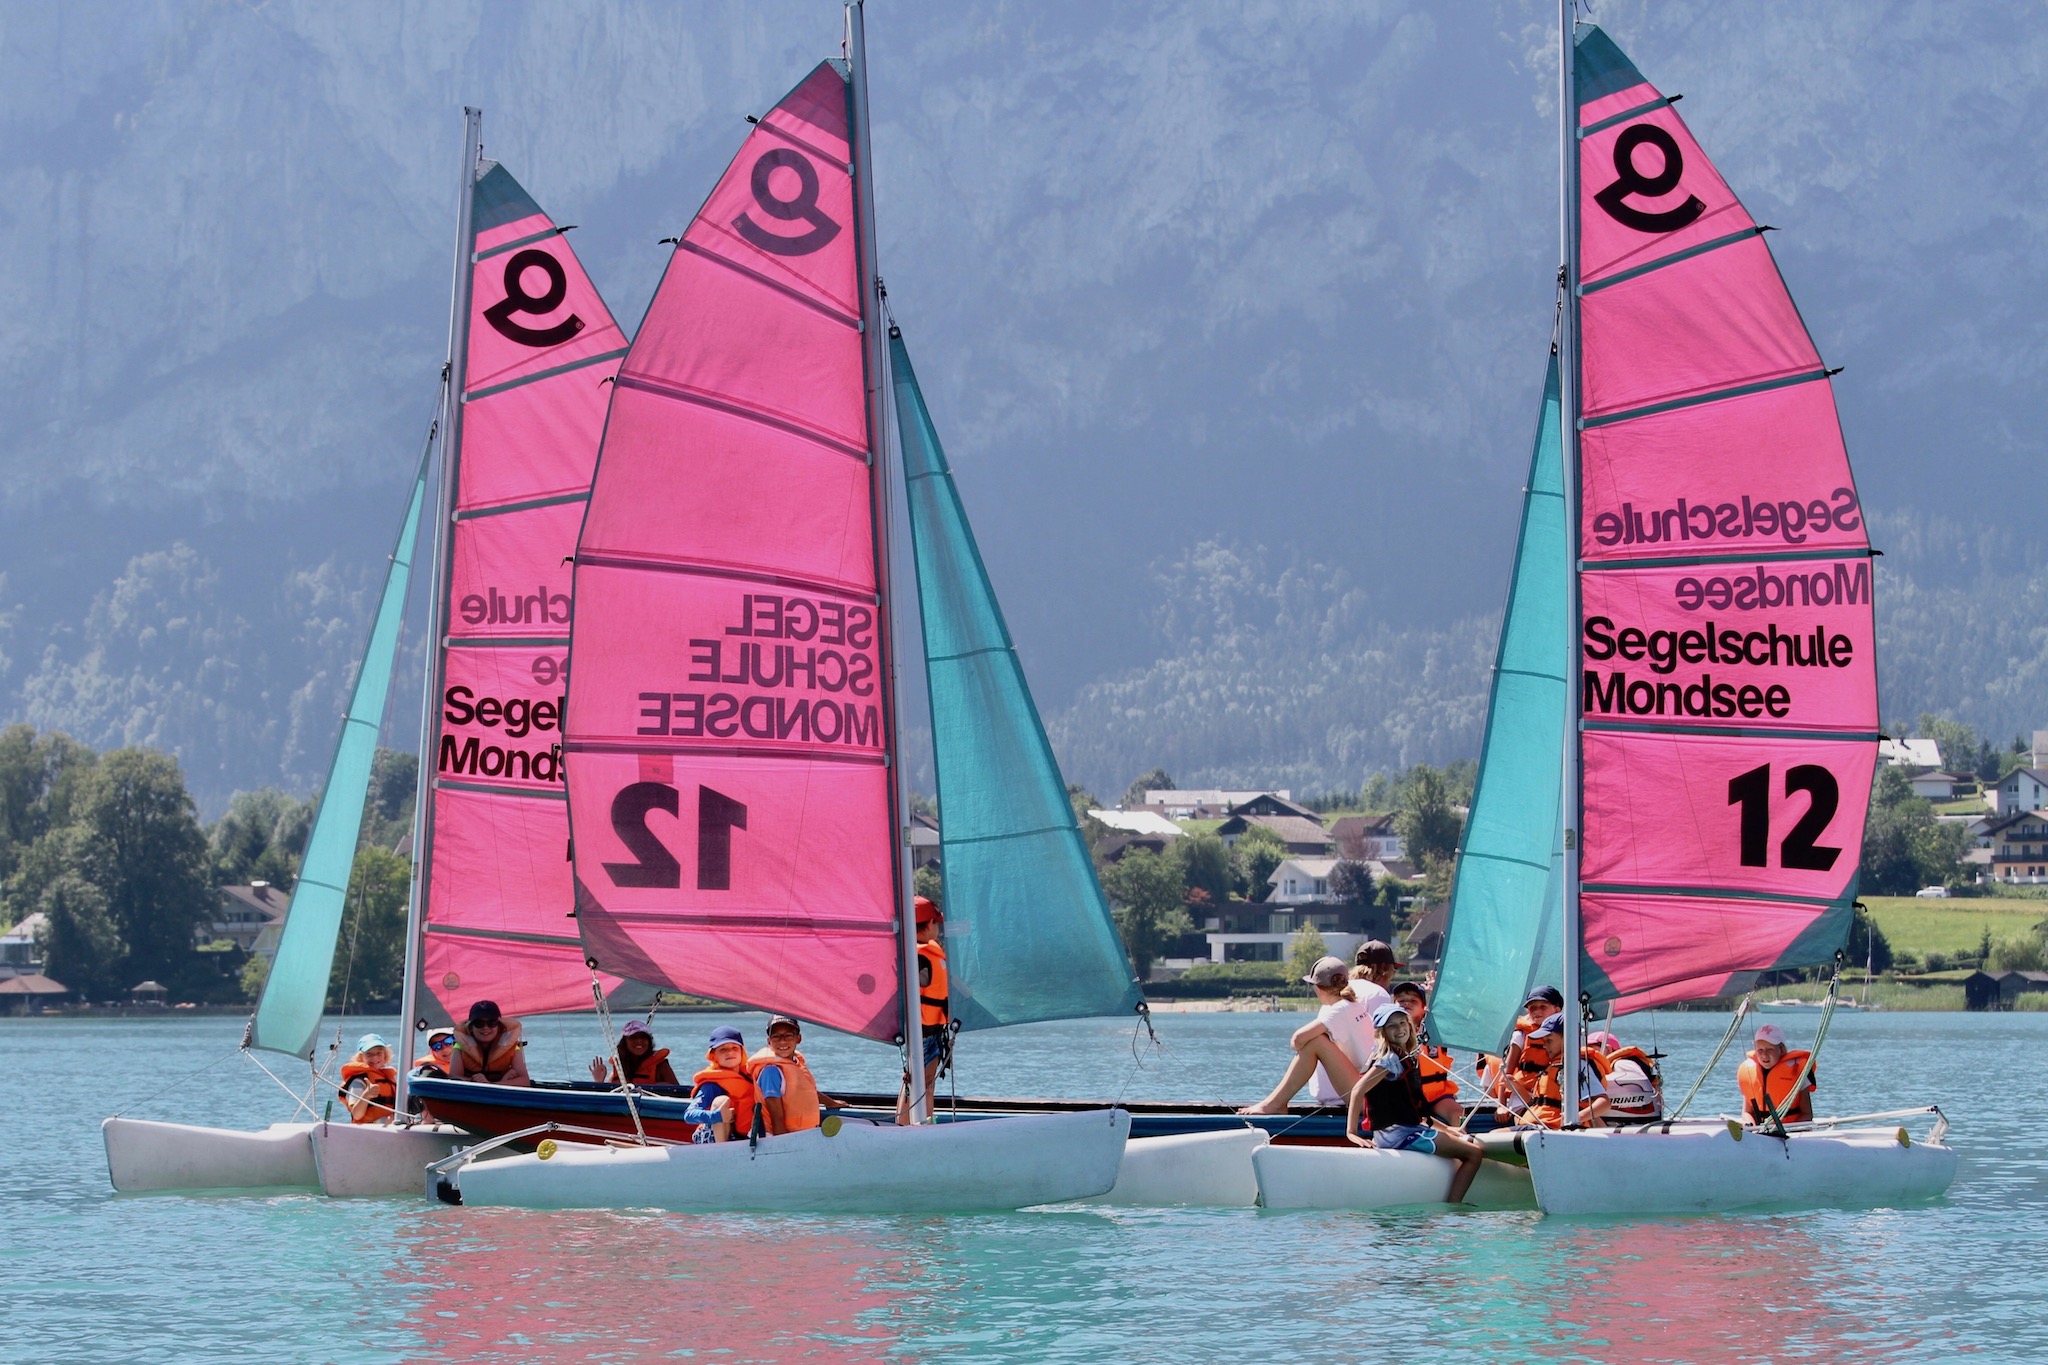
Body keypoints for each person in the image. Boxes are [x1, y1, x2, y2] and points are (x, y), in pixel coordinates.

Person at [1344, 1002, 1488, 1204]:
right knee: (1474, 1154)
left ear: (1410, 1026)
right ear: (1382, 1032)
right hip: (1400, 1136)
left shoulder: (1404, 1056)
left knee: (1462, 1141)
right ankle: (1454, 1206)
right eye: (1392, 1026)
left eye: (1403, 1023)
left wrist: (1449, 1130)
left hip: (1404, 1130)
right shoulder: (1389, 1059)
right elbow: (1358, 1089)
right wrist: (1352, 1133)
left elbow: (1417, 1112)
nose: (1400, 1029)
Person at [1238, 957, 1377, 1115]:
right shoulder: (1355, 1005)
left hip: (1366, 1100)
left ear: (1317, 988)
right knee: (1317, 1040)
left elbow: (1297, 1040)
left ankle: (1276, 1104)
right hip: (1369, 1093)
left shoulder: (1338, 1010)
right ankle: (1275, 1102)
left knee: (1315, 1042)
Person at [1506, 986, 1610, 1129]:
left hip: (1552, 1127)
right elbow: (1537, 1103)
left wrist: (1577, 1118)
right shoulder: (1551, 1068)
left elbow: (1603, 1103)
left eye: (1549, 1041)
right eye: (1543, 1041)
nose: (1544, 1046)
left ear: (1568, 1038)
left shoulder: (1577, 1066)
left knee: (1491, 1137)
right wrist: (1517, 1087)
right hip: (1539, 1124)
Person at [897, 895, 949, 1125]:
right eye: (936, 923)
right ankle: (906, 1126)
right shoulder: (919, 957)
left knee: (926, 1082)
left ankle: (924, 1124)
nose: (937, 928)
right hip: (922, 1031)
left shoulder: (921, 954)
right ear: (928, 925)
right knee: (916, 1082)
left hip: (932, 1029)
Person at [1391, 980, 1465, 1126]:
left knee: (1458, 1113)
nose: (1406, 1004)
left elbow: (1451, 1013)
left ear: (1424, 1007)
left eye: (1413, 1000)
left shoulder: (1436, 1029)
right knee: (1418, 1119)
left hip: (1437, 1095)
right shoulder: (1388, 1031)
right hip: (1408, 1098)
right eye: (1401, 1001)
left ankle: (1463, 1138)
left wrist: (1435, 992)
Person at [752, 1015, 843, 1134]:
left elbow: (805, 1091)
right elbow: (776, 1117)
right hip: (784, 1136)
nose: (782, 1041)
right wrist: (783, 1144)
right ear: (769, 1041)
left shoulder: (795, 1063)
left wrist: (830, 1102)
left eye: (788, 1036)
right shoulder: (771, 1071)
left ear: (798, 1038)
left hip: (804, 1132)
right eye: (776, 1037)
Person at [685, 1025, 766, 1143]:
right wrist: (716, 1115)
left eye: (735, 1048)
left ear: (742, 1052)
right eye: (723, 1049)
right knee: (720, 1101)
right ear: (713, 1056)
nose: (730, 1052)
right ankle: (722, 1154)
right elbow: (689, 1115)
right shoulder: (711, 1085)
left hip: (741, 1136)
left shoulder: (751, 1076)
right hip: (713, 1139)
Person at [1737, 1022, 1816, 1127]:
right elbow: (1747, 1112)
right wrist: (1752, 1128)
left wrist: (1785, 1131)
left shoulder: (1797, 1071)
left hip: (1790, 1133)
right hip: (1759, 1133)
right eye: (1760, 1050)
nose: (1764, 1055)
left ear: (1782, 1050)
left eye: (1770, 1049)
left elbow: (1807, 1114)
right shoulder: (1748, 1072)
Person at [1588, 1028, 1664, 1123]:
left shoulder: (1621, 1064)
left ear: (1607, 1049)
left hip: (1634, 1122)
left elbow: (1639, 1082)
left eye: (1592, 1050)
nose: (1589, 1055)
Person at [452, 1000, 530, 1086]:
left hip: (500, 1093)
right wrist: (474, 1081)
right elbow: (454, 1077)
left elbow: (525, 1081)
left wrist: (491, 1084)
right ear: (471, 1028)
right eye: (479, 1023)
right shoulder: (460, 1045)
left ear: (499, 1026)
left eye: (491, 1023)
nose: (485, 1028)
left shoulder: (512, 1046)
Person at [590, 1019, 679, 1087]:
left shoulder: (661, 1066)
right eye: (633, 1037)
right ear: (625, 1042)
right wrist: (599, 1081)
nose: (639, 1041)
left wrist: (663, 1086)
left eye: (643, 1037)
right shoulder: (619, 1066)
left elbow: (679, 1092)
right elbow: (609, 1094)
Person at [339, 1034, 397, 1125]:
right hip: (369, 1132)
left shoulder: (389, 1078)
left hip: (390, 1129)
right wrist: (367, 1095)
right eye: (369, 1054)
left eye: (379, 1053)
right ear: (361, 1057)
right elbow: (357, 1115)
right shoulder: (358, 1081)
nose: (375, 1057)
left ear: (385, 1055)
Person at [1348, 940, 1402, 1015]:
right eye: (1394, 969)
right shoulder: (1379, 994)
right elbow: (1379, 1026)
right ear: (1384, 968)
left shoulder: (1342, 989)